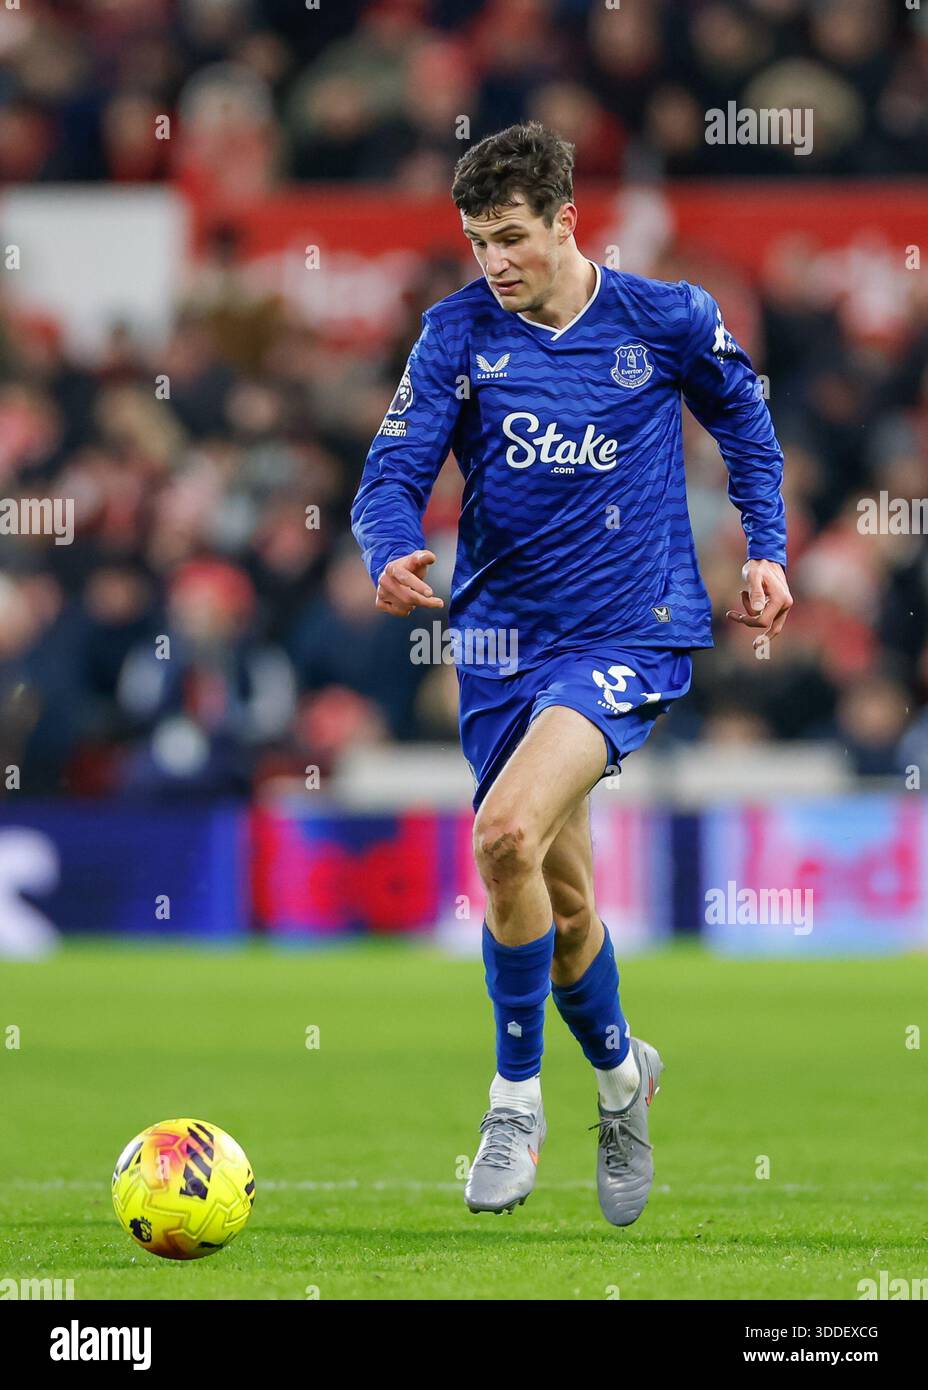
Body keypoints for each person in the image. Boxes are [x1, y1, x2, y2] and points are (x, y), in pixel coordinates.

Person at [350, 121, 792, 1225]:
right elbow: (390, 469)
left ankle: (513, 1099)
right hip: (498, 646)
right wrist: (389, 544)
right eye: (474, 242)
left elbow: (743, 411)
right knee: (564, 900)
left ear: (564, 222)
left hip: (625, 632)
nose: (493, 262)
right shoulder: (454, 335)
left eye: (510, 238)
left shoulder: (666, 318)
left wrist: (768, 545)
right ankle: (620, 1076)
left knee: (500, 833)